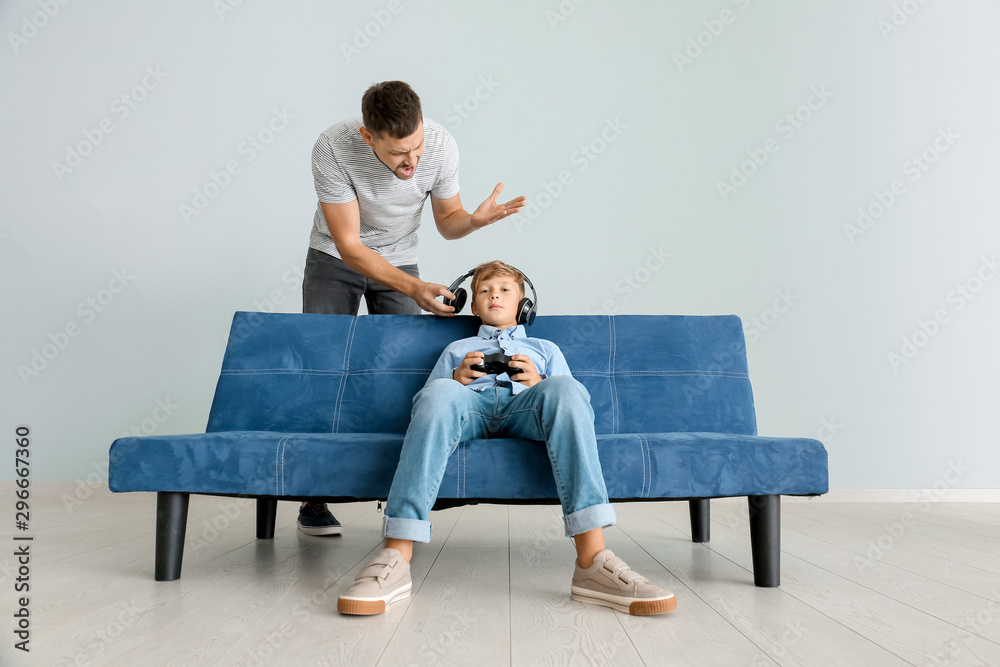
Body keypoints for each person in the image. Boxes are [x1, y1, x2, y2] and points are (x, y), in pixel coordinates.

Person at [336, 261, 677, 617]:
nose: (494, 295)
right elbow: (426, 407)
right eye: (485, 291)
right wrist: (455, 379)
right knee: (438, 393)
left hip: (526, 409)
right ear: (473, 306)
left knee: (565, 388)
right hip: (471, 407)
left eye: (504, 290)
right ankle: (396, 554)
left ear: (524, 306)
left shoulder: (545, 348)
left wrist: (539, 381)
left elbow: (576, 407)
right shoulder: (457, 347)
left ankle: (593, 562)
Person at [297, 82, 526, 536]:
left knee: (405, 372)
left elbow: (448, 222)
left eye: (417, 147)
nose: (412, 161)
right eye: (399, 153)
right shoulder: (333, 147)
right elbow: (349, 244)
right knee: (324, 368)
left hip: (401, 257)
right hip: (334, 258)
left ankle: (405, 489)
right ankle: (314, 498)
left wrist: (474, 222)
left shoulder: (439, 146)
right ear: (368, 138)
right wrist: (416, 288)